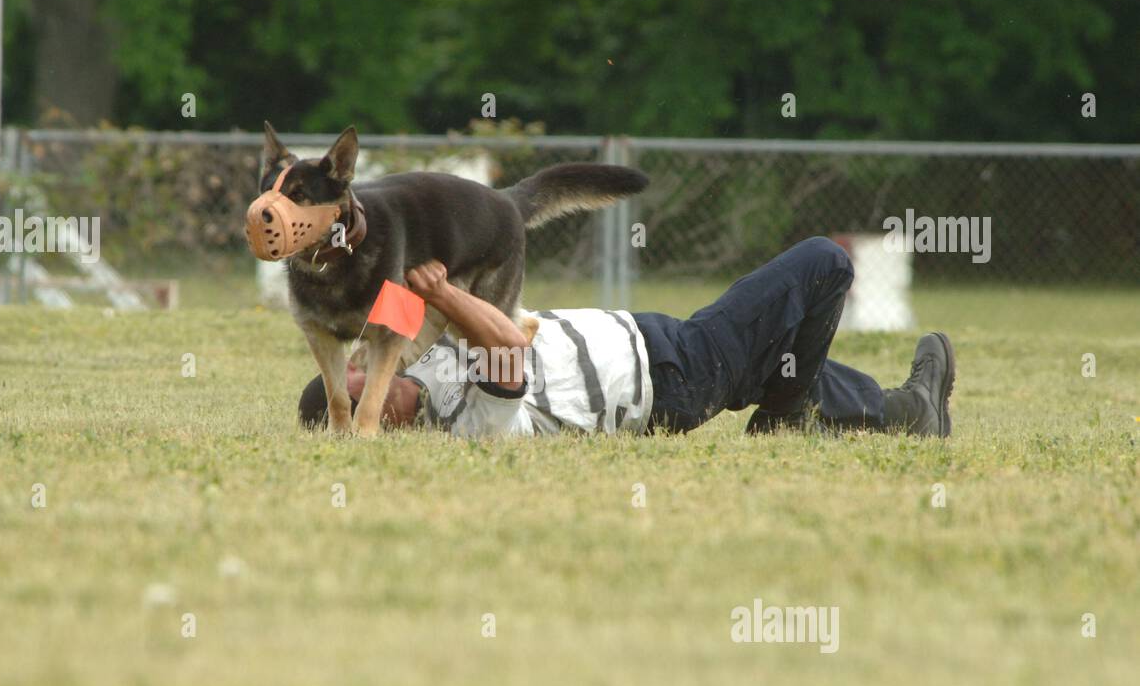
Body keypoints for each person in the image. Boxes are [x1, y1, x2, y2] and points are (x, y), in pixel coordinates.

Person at [297, 237, 955, 438]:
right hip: (676, 373)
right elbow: (506, 346)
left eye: (355, 372)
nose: (367, 375)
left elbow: (388, 284)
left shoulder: (414, 358)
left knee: (786, 361)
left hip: (658, 339)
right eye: (356, 391)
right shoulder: (469, 427)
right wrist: (441, 294)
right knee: (826, 263)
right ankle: (785, 414)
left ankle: (909, 412)